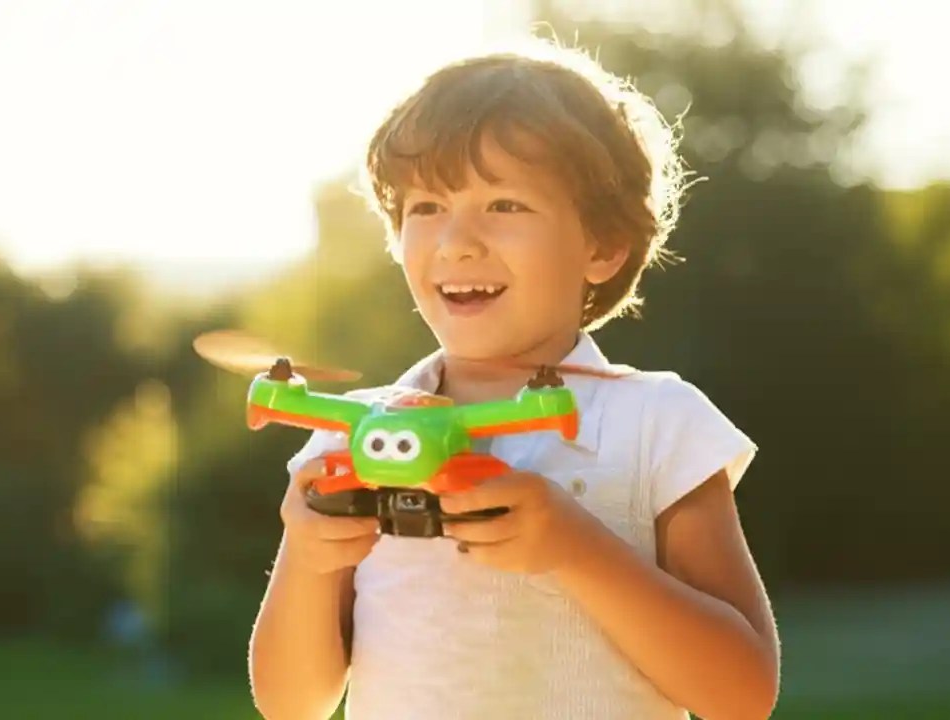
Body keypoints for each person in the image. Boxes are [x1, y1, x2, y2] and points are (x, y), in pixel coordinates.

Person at [248, 38, 780, 720]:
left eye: (504, 206)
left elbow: (742, 696)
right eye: (425, 209)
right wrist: (307, 556)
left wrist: (579, 549)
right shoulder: (354, 438)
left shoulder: (658, 424)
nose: (457, 241)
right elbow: (293, 705)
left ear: (602, 246)